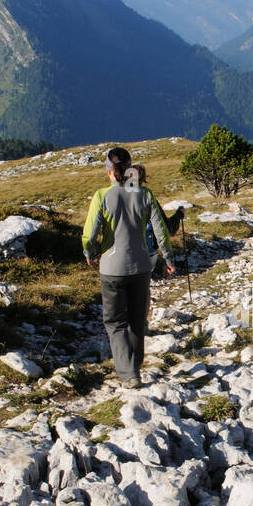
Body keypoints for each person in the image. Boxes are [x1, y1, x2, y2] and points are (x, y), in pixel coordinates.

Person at [82, 147, 175, 388]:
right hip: (141, 265)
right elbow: (161, 231)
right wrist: (168, 259)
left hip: (112, 267)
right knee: (136, 319)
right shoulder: (144, 194)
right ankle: (136, 364)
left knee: (114, 321)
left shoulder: (102, 195)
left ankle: (128, 373)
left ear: (110, 171)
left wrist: (89, 251)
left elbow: (90, 233)